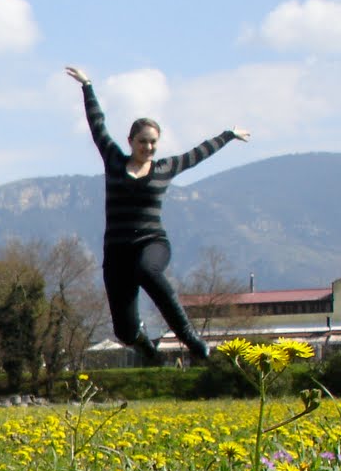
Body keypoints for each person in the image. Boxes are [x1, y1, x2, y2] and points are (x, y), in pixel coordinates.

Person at [65, 66, 248, 364]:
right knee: (124, 331)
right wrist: (88, 86)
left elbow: (199, 153)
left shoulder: (165, 168)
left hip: (152, 243)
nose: (148, 147)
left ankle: (192, 340)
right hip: (116, 253)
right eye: (142, 141)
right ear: (131, 142)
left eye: (153, 142)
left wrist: (227, 135)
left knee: (148, 271)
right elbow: (97, 125)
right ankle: (147, 350)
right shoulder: (113, 160)